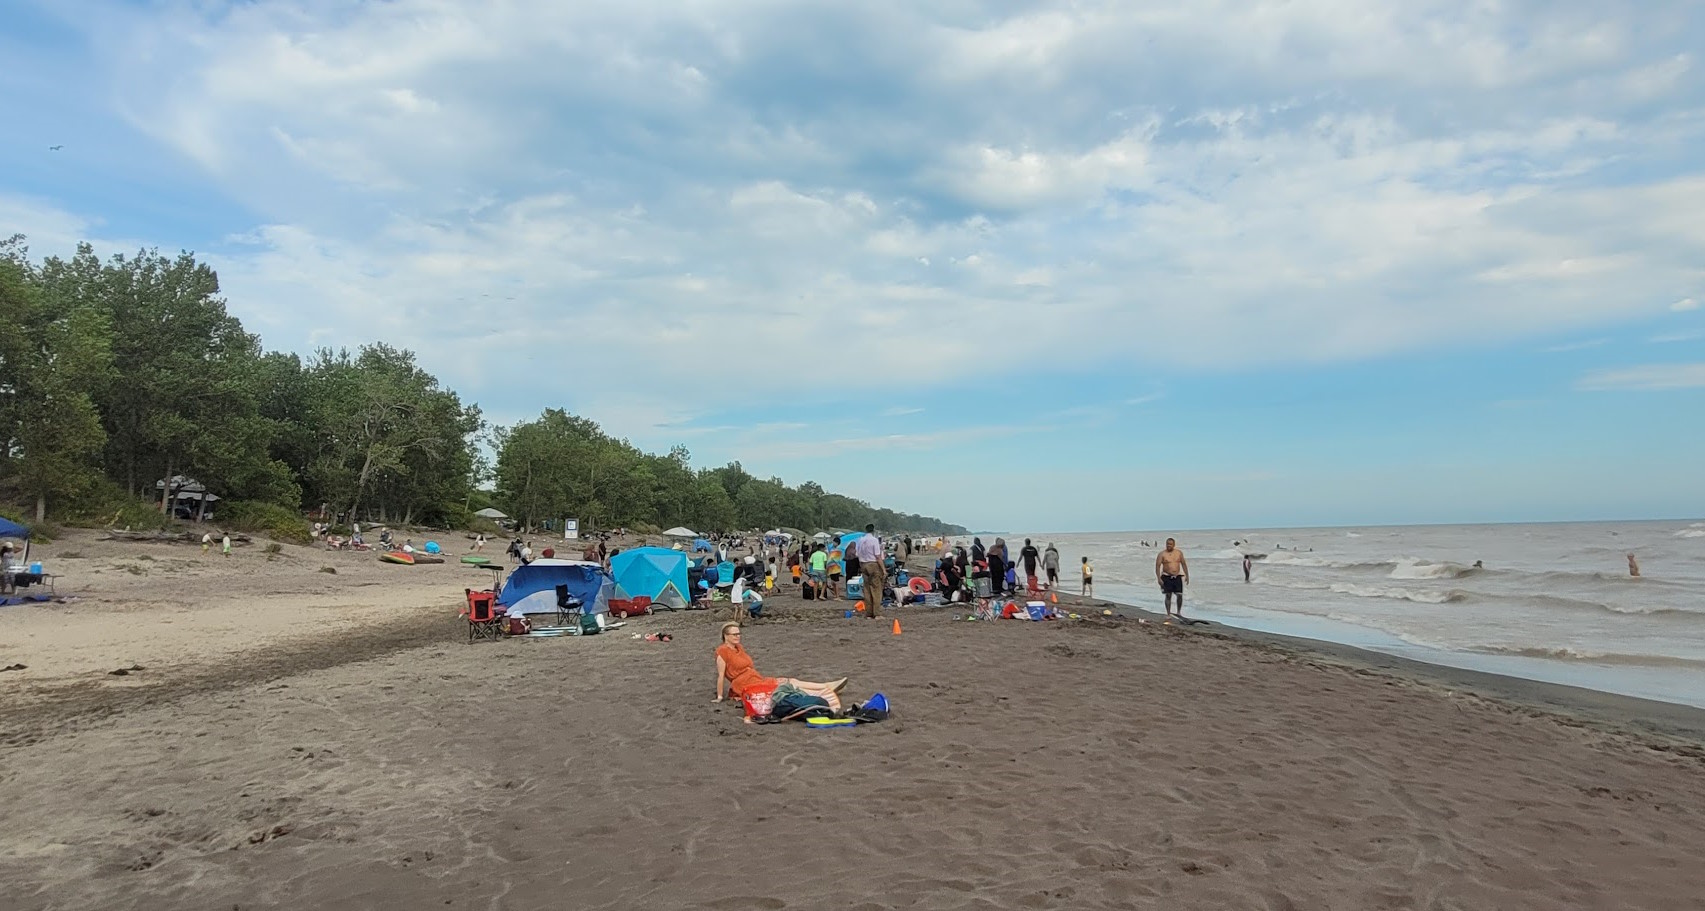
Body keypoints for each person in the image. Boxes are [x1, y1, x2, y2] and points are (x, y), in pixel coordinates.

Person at [714, 623, 846, 720]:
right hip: (744, 683)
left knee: (788, 681)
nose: (738, 636)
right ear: (726, 636)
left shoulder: (739, 648)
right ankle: (825, 687)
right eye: (735, 634)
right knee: (783, 685)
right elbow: (721, 676)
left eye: (739, 633)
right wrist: (720, 697)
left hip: (754, 677)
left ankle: (825, 686)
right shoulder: (722, 652)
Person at [854, 525, 885, 619]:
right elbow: (878, 556)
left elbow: (857, 554)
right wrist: (883, 569)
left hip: (863, 564)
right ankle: (877, 613)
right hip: (873, 564)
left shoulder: (860, 540)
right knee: (876, 589)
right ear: (873, 530)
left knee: (867, 589)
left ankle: (869, 613)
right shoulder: (874, 540)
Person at [1156, 537, 1189, 619]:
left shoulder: (1179, 553)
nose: (1168, 545)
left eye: (1170, 544)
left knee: (1179, 595)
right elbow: (1157, 566)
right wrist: (1159, 578)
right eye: (1167, 544)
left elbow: (1184, 564)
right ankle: (1168, 613)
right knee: (1168, 595)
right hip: (1166, 576)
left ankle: (1179, 612)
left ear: (1174, 545)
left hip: (1177, 576)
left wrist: (1187, 575)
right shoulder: (1162, 554)